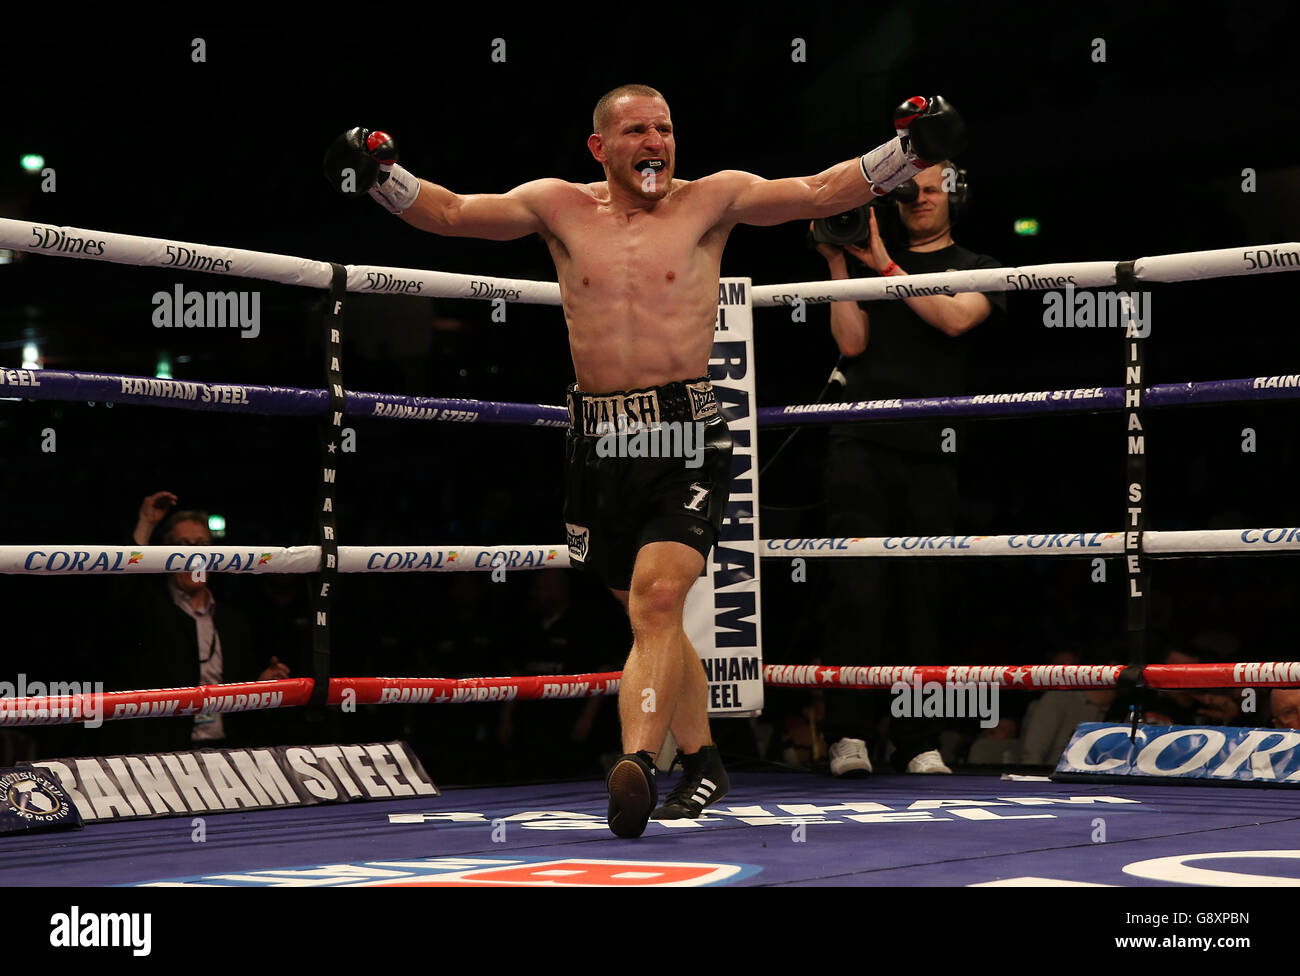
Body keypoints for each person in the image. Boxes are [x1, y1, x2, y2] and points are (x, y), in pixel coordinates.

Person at [325, 86, 965, 836]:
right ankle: (704, 762)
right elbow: (454, 213)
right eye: (635, 130)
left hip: (686, 434)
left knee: (659, 603)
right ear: (600, 148)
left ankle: (636, 764)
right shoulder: (557, 205)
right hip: (596, 443)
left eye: (664, 127)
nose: (654, 140)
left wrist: (910, 151)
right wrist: (379, 173)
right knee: (647, 616)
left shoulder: (713, 200)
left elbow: (822, 189)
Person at [812, 161, 1003, 777]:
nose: (919, 198)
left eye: (932, 189)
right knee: (856, 593)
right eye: (909, 190)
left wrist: (885, 268)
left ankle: (919, 738)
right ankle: (847, 734)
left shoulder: (975, 265)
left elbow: (956, 317)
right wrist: (840, 261)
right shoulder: (870, 259)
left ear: (956, 194)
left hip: (934, 450)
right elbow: (851, 344)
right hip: (860, 444)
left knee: (925, 598)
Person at [115, 491, 290, 751]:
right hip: (163, 752)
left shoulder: (233, 620)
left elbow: (240, 688)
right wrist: (146, 524)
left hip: (227, 750)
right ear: (167, 555)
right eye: (184, 546)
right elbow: (120, 587)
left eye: (202, 546)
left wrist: (261, 683)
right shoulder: (148, 610)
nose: (195, 556)